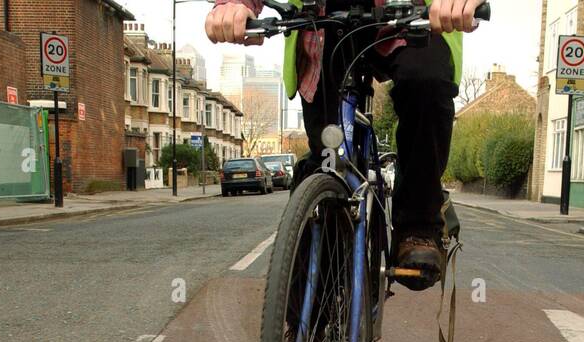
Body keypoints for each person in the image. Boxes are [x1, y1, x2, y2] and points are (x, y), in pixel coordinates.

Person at [205, 0, 483, 289]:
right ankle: (310, 299)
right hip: (323, 27)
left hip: (410, 17)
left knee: (426, 84)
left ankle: (418, 225)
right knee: (327, 161)